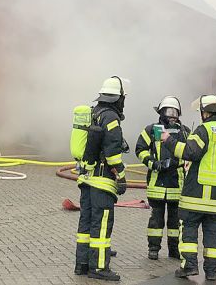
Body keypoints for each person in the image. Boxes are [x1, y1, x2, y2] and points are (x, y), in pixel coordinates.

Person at [161, 95, 216, 282]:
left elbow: (189, 152)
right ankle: (211, 272)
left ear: (206, 112)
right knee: (213, 235)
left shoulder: (204, 130)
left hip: (197, 193)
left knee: (189, 229)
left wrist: (168, 140)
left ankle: (189, 266)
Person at [75, 76, 129, 281]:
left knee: (86, 224)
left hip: (86, 178)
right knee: (102, 223)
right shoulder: (111, 118)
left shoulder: (93, 112)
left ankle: (81, 264)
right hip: (102, 182)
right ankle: (98, 267)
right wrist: (122, 177)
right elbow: (113, 153)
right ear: (117, 99)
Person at [135, 96, 190, 260]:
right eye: (169, 112)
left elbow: (190, 152)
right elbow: (140, 149)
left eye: (175, 112)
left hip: (176, 184)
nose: (172, 116)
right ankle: (153, 248)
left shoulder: (185, 132)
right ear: (161, 112)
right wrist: (154, 163)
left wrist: (175, 162)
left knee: (175, 222)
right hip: (157, 183)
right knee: (156, 221)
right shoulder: (151, 130)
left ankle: (174, 250)